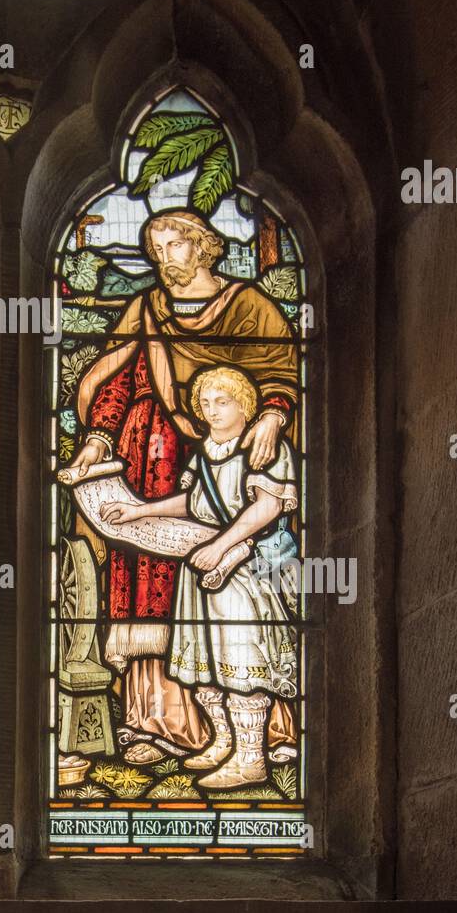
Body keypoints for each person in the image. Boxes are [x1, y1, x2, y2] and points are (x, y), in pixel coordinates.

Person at [69, 209, 298, 764]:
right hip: (146, 460)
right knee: (146, 581)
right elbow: (117, 379)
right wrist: (98, 443)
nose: (163, 257)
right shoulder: (147, 308)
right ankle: (159, 722)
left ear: (204, 246)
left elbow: (281, 370)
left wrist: (271, 417)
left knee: (233, 593)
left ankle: (267, 729)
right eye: (156, 248)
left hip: (229, 458)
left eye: (174, 244)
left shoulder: (248, 307)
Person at [102, 367, 298, 789]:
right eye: (206, 403)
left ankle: (251, 758)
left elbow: (267, 509)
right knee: (205, 665)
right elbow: (192, 503)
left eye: (222, 402)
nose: (213, 411)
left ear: (245, 406)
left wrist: (222, 546)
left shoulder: (264, 449)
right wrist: (140, 511)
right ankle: (222, 742)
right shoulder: (208, 449)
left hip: (244, 568)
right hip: (204, 562)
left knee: (243, 663)